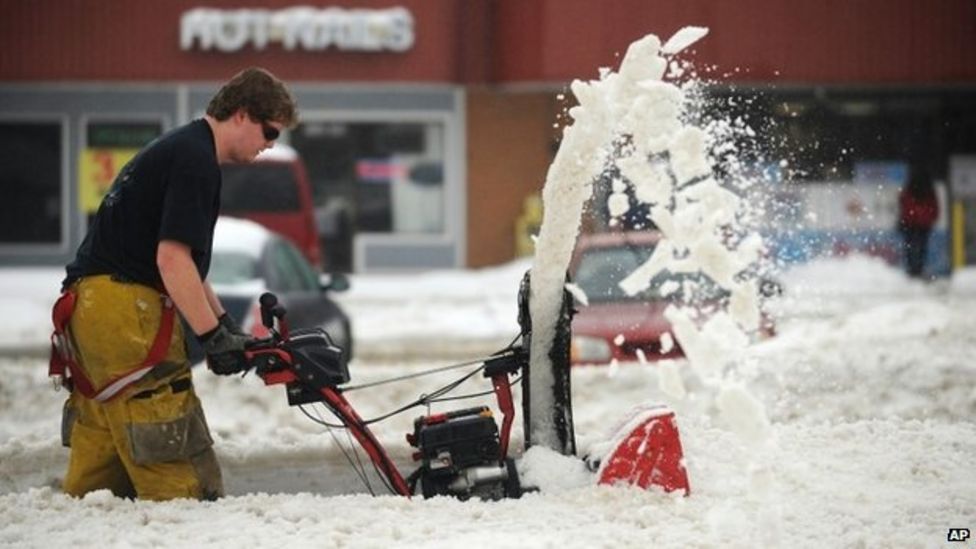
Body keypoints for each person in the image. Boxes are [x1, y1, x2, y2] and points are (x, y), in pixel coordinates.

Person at [55, 67, 298, 501]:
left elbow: (189, 268)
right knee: (171, 454)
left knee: (104, 454)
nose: (270, 144)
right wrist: (209, 336)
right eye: (269, 131)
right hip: (125, 310)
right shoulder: (195, 160)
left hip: (91, 308)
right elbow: (171, 260)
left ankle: (86, 522)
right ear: (241, 114)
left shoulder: (184, 148)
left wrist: (225, 328)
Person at [897, 168, 939, 279]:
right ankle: (918, 269)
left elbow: (904, 204)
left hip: (911, 223)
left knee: (910, 247)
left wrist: (907, 218)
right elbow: (934, 207)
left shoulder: (910, 189)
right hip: (923, 224)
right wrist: (929, 218)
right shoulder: (929, 190)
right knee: (921, 247)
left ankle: (912, 269)